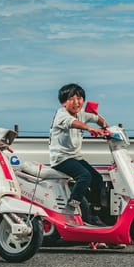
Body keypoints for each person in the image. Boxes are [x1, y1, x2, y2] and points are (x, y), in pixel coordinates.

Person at [49, 83, 110, 225]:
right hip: (61, 158)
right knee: (84, 176)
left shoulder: (82, 113)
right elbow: (73, 123)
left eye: (80, 98)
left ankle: (95, 213)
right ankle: (71, 206)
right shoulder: (61, 115)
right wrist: (90, 128)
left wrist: (107, 128)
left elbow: (97, 119)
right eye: (72, 99)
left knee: (97, 179)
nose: (77, 102)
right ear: (64, 102)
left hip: (75, 157)